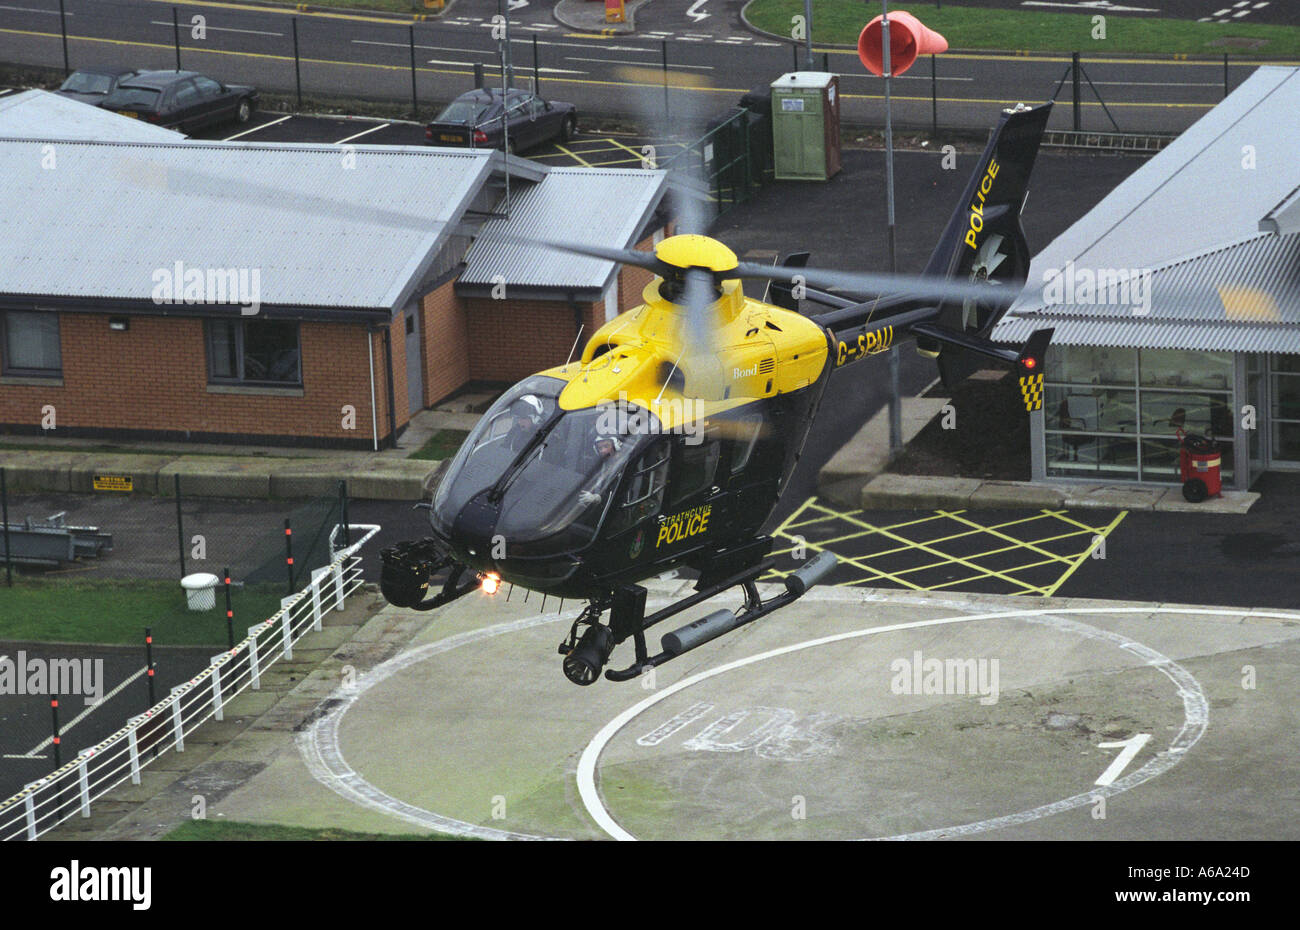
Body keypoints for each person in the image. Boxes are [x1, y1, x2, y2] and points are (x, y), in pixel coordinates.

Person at [578, 435, 621, 506]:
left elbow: (618, 495)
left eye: (606, 446)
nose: (603, 451)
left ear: (615, 447)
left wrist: (597, 498)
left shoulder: (623, 466)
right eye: (600, 448)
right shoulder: (598, 466)